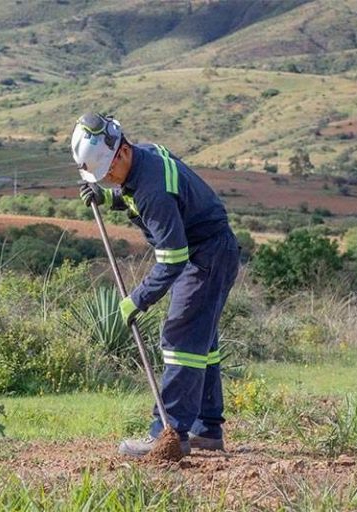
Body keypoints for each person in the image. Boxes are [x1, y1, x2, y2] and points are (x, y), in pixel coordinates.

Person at [71, 112, 240, 457]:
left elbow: (173, 258)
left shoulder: (153, 190)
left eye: (107, 175)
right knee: (200, 341)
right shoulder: (145, 157)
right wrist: (109, 199)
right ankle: (205, 429)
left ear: (119, 153)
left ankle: (169, 436)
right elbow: (133, 194)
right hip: (211, 250)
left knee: (180, 337)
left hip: (204, 255)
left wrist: (138, 298)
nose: (107, 181)